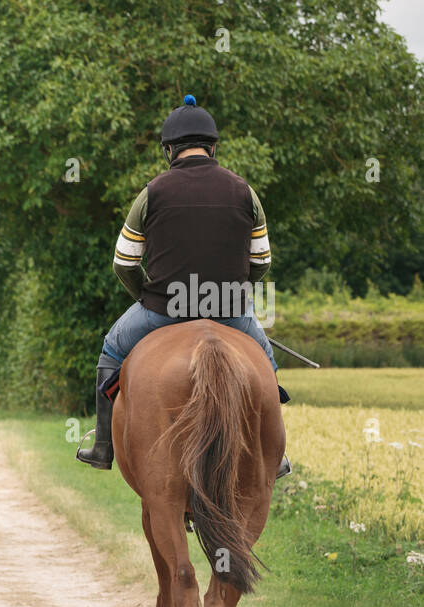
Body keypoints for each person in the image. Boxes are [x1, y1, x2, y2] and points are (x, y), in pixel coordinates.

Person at [77, 95, 290, 477]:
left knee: (111, 349)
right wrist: (237, 294)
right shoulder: (245, 191)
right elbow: (262, 261)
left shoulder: (152, 192)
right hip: (230, 311)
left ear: (169, 150)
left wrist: (146, 296)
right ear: (212, 147)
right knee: (266, 364)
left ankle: (103, 446)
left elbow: (123, 262)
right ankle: (276, 455)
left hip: (161, 310)